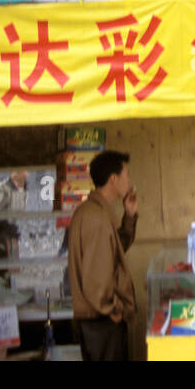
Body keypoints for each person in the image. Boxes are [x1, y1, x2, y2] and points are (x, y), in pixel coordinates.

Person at [67, 150, 139, 361]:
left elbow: (113, 251)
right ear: (113, 179)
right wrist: (114, 309)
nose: (129, 181)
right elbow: (96, 278)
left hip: (99, 321)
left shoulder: (96, 212)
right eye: (126, 175)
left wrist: (130, 215)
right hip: (100, 322)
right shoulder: (95, 217)